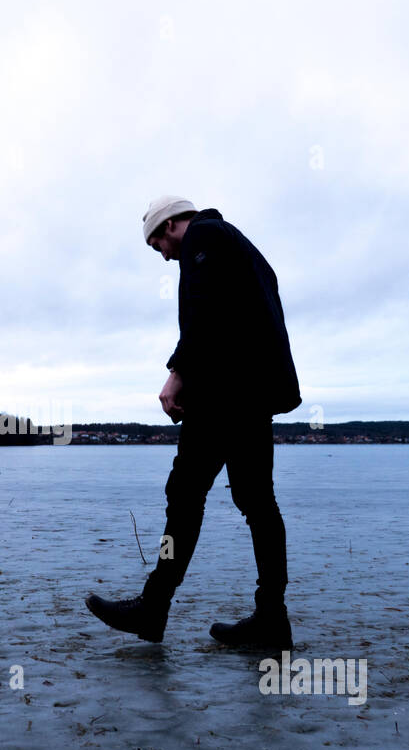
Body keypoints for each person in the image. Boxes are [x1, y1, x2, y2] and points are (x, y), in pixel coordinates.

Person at [85, 196, 302, 649]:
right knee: (258, 504)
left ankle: (153, 605)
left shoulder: (204, 236)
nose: (164, 256)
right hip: (252, 393)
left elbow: (205, 312)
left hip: (224, 391)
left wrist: (176, 374)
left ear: (170, 226)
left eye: (158, 245)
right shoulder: (240, 245)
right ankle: (271, 619)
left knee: (184, 496)